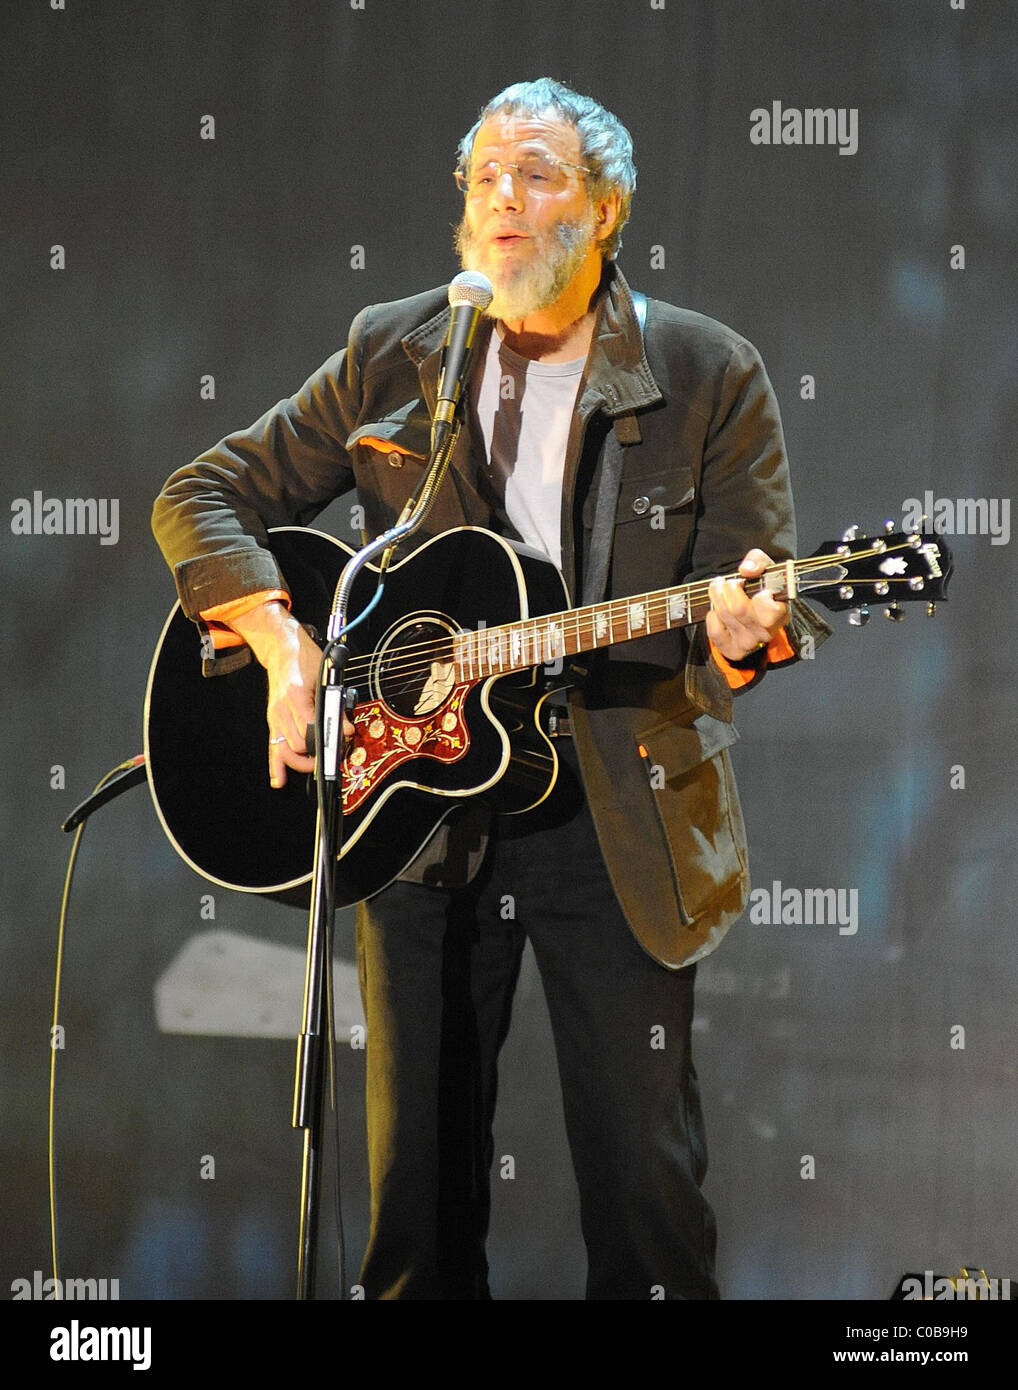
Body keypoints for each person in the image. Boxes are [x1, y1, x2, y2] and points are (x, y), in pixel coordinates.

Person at [153, 78, 829, 1299]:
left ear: (606, 207)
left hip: (617, 813)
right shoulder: (399, 347)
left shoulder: (705, 369)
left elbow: (767, 593)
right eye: (483, 178)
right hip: (414, 813)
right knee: (413, 1212)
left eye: (537, 175)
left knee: (646, 1205)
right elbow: (201, 492)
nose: (503, 201)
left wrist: (743, 632)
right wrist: (281, 641)